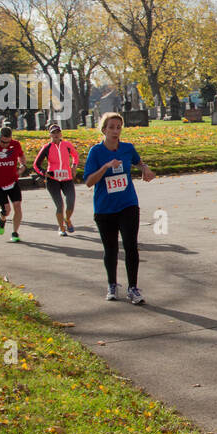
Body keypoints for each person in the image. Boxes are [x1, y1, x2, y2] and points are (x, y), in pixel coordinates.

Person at [84, 111, 154, 304]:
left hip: (127, 204)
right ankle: (112, 284)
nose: (116, 131)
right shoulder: (96, 152)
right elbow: (89, 182)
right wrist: (105, 167)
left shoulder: (127, 148)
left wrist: (145, 168)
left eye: (118, 127)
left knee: (131, 246)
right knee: (111, 249)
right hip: (104, 208)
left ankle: (133, 288)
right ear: (104, 130)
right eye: (112, 127)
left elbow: (138, 162)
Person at [32, 122, 80, 236]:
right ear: (50, 135)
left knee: (71, 202)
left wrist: (74, 167)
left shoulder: (67, 145)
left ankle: (67, 220)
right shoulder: (47, 148)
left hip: (66, 178)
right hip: (53, 180)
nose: (56, 134)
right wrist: (44, 173)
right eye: (53, 133)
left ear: (61, 134)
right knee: (59, 205)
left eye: (58, 132)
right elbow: (36, 165)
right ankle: (61, 227)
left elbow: (75, 155)